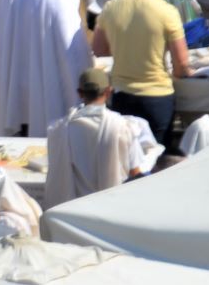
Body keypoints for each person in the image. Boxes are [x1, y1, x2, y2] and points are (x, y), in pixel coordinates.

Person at [92, 0, 189, 144]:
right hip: (157, 95)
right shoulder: (167, 12)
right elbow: (182, 62)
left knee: (126, 158)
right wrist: (177, 73)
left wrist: (125, 47)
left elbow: (99, 48)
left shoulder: (112, 6)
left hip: (122, 95)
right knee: (157, 161)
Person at [44, 69, 146, 206]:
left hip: (73, 210)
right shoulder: (123, 127)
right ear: (108, 91)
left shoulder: (59, 129)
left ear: (79, 93)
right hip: (112, 207)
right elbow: (135, 172)